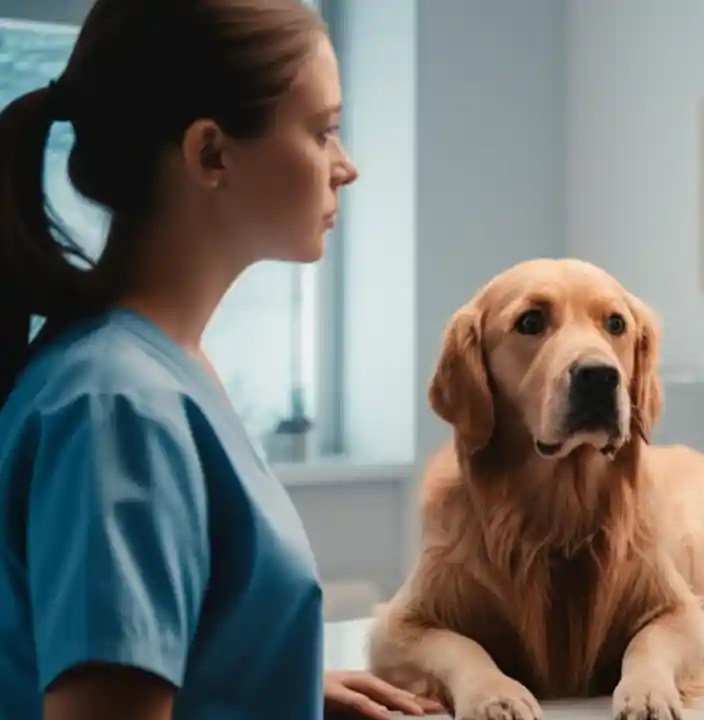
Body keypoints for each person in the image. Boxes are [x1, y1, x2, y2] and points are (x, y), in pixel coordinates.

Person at [0, 1, 439, 718]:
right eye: (323, 130)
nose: (346, 166)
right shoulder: (117, 408)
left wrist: (278, 693)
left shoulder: (157, 369)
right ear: (211, 154)